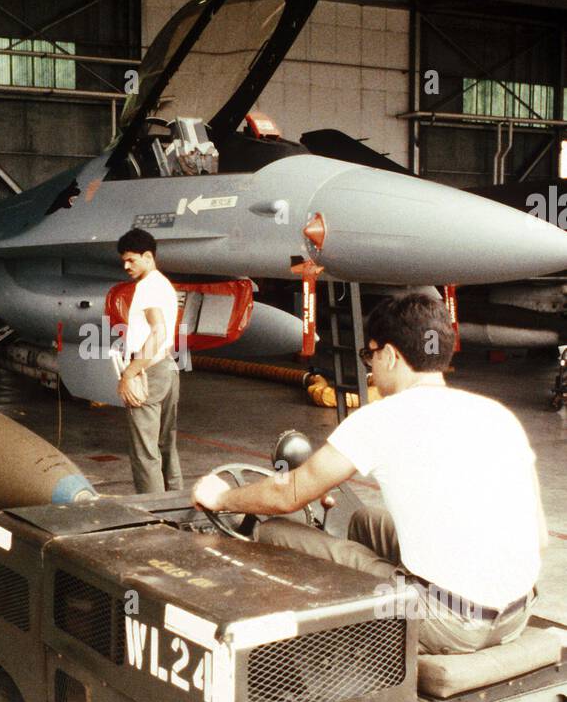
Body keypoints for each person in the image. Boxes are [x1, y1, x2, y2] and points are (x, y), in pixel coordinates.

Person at [192, 293, 546, 655]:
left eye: (370, 355)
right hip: (515, 615)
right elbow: (541, 537)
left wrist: (221, 498)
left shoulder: (382, 417)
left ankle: (309, 649)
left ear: (391, 355)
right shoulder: (497, 414)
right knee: (364, 521)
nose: (369, 369)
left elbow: (287, 495)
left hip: (448, 624)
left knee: (276, 533)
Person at [115, 228, 182, 495]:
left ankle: (154, 515)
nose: (126, 266)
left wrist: (129, 374)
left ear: (147, 256)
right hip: (167, 368)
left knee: (145, 452)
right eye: (123, 260)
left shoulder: (147, 287)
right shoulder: (164, 284)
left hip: (149, 371)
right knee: (166, 445)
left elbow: (158, 332)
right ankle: (176, 502)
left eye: (131, 260)